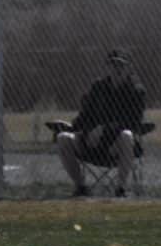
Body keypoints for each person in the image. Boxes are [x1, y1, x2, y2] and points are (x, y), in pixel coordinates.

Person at [56, 49, 146, 198]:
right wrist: (79, 130)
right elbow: (84, 116)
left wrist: (104, 130)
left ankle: (120, 189)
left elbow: (133, 122)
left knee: (127, 135)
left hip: (116, 146)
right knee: (63, 138)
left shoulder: (136, 91)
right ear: (107, 67)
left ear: (128, 68)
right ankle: (81, 187)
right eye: (113, 65)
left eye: (121, 65)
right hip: (92, 143)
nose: (117, 69)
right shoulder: (98, 88)